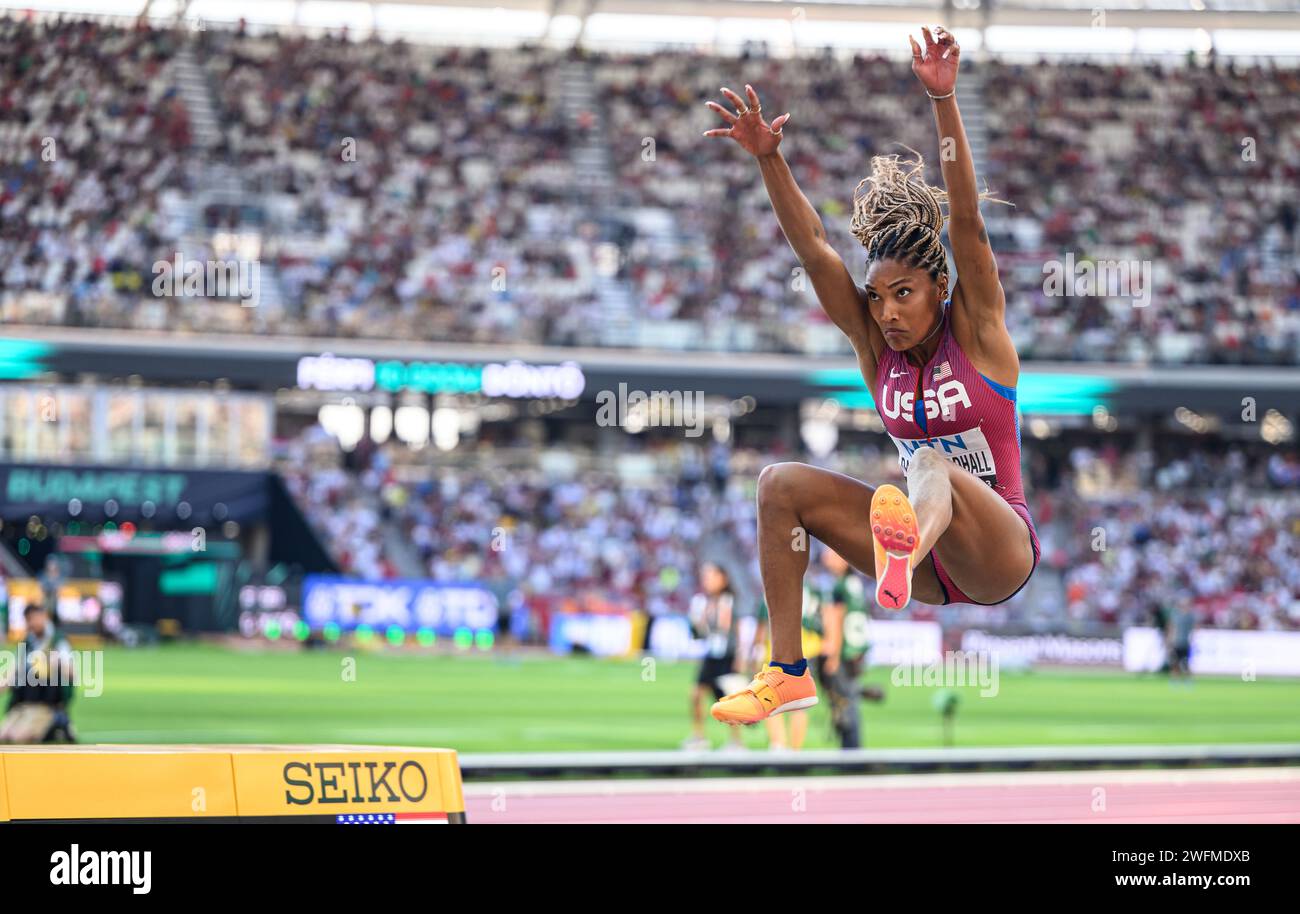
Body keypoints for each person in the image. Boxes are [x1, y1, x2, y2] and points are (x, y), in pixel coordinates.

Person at [706, 26, 1040, 726]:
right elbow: (816, 252)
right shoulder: (873, 343)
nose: (886, 312)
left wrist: (942, 99)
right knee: (779, 487)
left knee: (931, 469)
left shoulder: (977, 332)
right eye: (878, 296)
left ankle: (902, 547)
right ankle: (788, 671)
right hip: (924, 574)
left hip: (996, 550)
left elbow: (970, 223)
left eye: (905, 295)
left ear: (940, 286)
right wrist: (771, 161)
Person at [808, 548, 883, 748]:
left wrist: (832, 655)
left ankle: (850, 753)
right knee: (849, 700)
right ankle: (852, 750)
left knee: (843, 704)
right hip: (856, 651)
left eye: (834, 554)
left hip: (843, 652)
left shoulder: (839, 587)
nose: (827, 557)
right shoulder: (855, 584)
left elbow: (836, 619)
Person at [681, 562, 746, 751]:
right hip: (711, 655)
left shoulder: (730, 601)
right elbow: (698, 634)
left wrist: (740, 658)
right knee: (696, 694)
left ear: (723, 579)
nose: (707, 581)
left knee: (730, 700)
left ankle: (736, 741)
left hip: (728, 656)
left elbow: (737, 631)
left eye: (711, 576)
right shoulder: (702, 602)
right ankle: (699, 736)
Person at [0, 603, 77, 743]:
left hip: (46, 704)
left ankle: (59, 723)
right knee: (4, 736)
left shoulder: (57, 641)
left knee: (19, 737)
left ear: (44, 617)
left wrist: (57, 662)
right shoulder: (28, 642)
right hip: (25, 703)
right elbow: (13, 672)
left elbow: (73, 674)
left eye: (34, 619)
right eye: (29, 620)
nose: (32, 623)